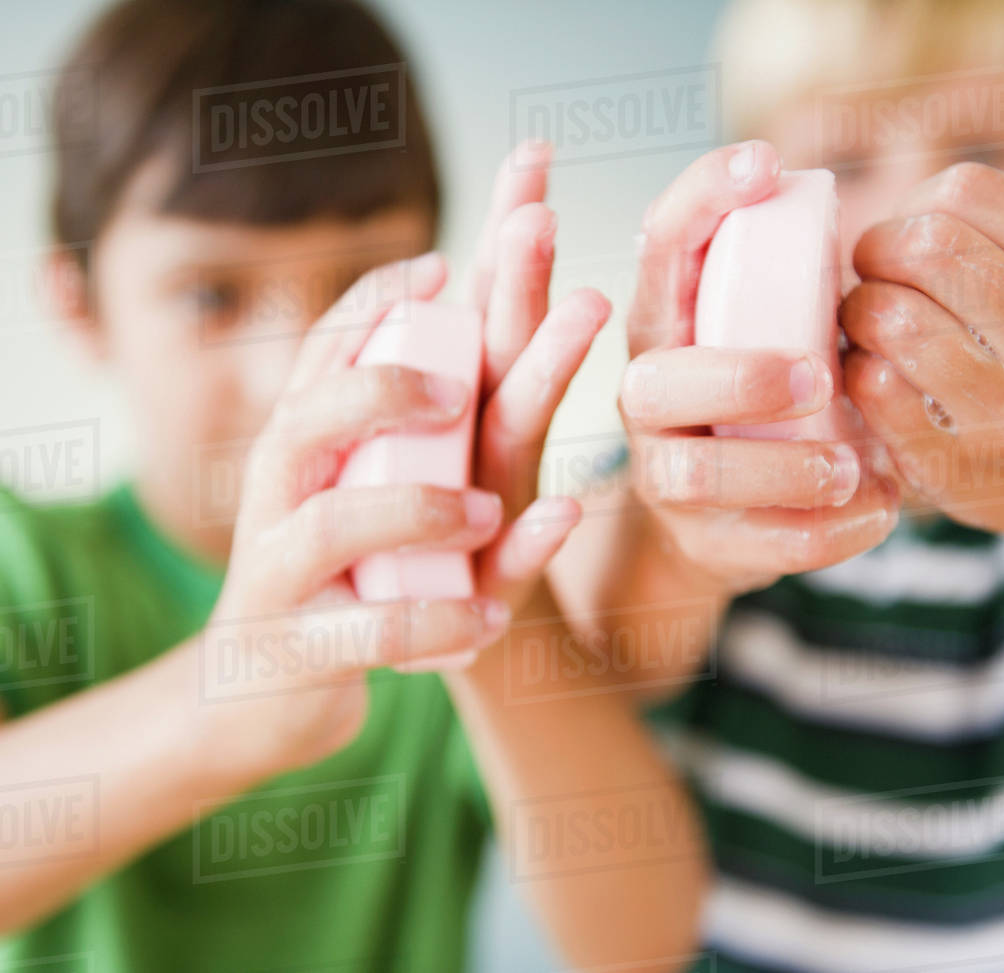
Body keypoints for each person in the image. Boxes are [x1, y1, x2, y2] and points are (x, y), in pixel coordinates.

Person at [0, 2, 703, 971]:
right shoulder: (22, 562)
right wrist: (220, 707)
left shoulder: (427, 595)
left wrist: (501, 609)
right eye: (213, 295)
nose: (296, 363)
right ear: (79, 308)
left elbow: (644, 937)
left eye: (363, 279)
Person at [552, 0, 1004, 970]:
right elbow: (595, 649)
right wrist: (679, 543)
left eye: (983, 147)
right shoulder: (708, 465)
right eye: (847, 167)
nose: (918, 210)